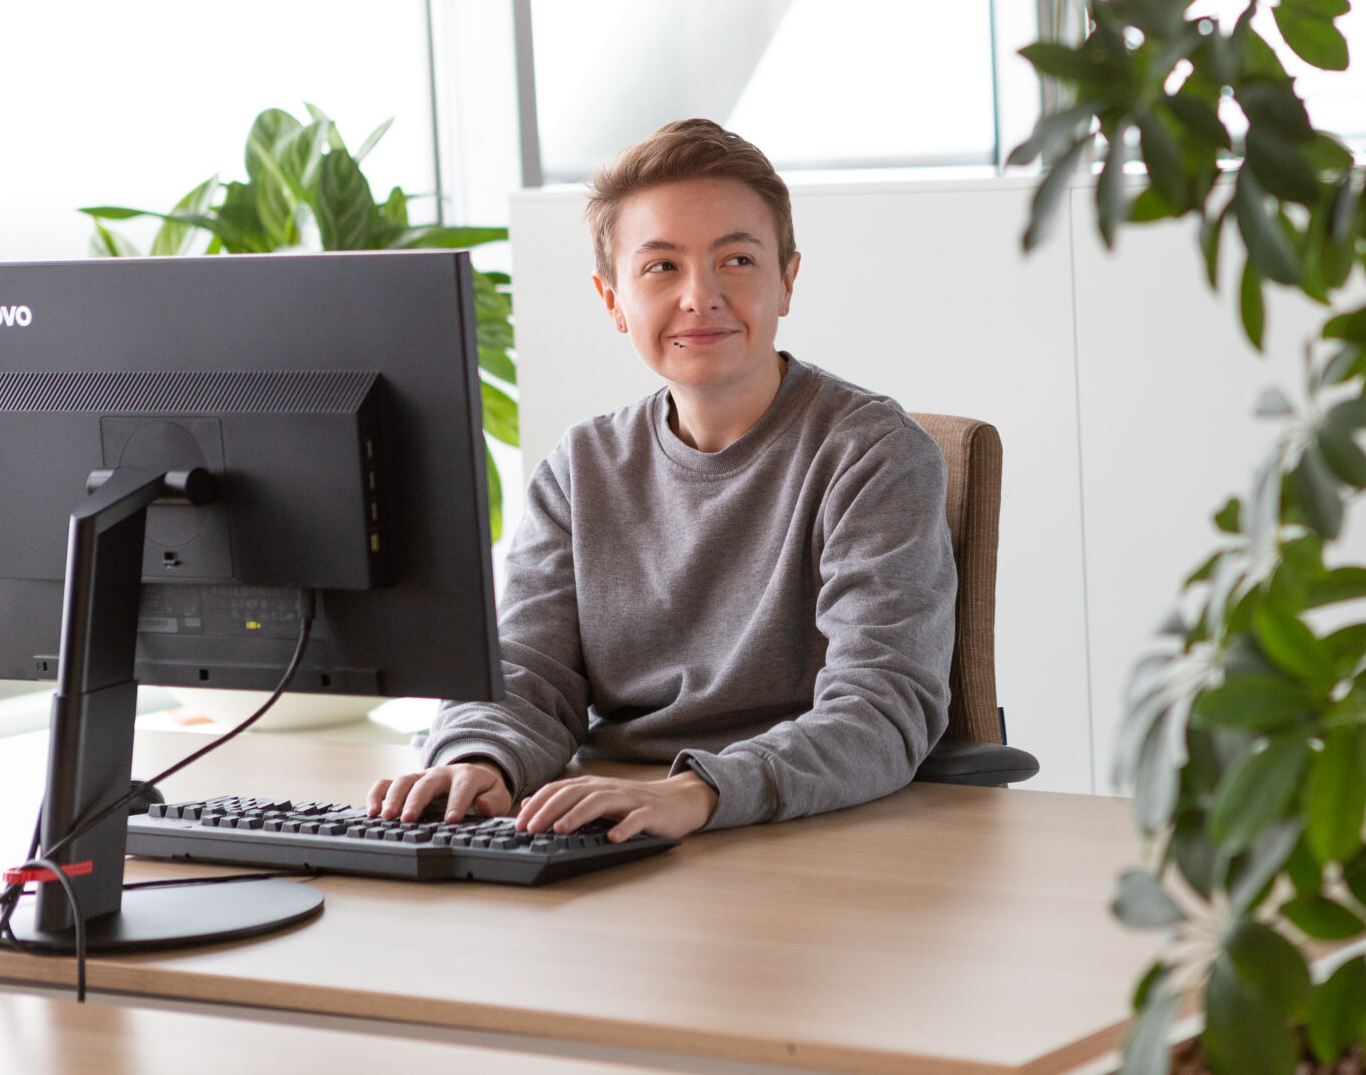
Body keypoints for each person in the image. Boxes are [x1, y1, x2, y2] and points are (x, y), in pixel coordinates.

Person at [366, 119, 956, 844]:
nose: (700, 296)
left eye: (736, 259)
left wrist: (697, 791)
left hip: (804, 826)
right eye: (660, 267)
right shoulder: (579, 469)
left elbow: (881, 705)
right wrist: (479, 758)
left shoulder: (874, 455)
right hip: (614, 823)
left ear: (787, 281)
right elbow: (523, 668)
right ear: (612, 298)